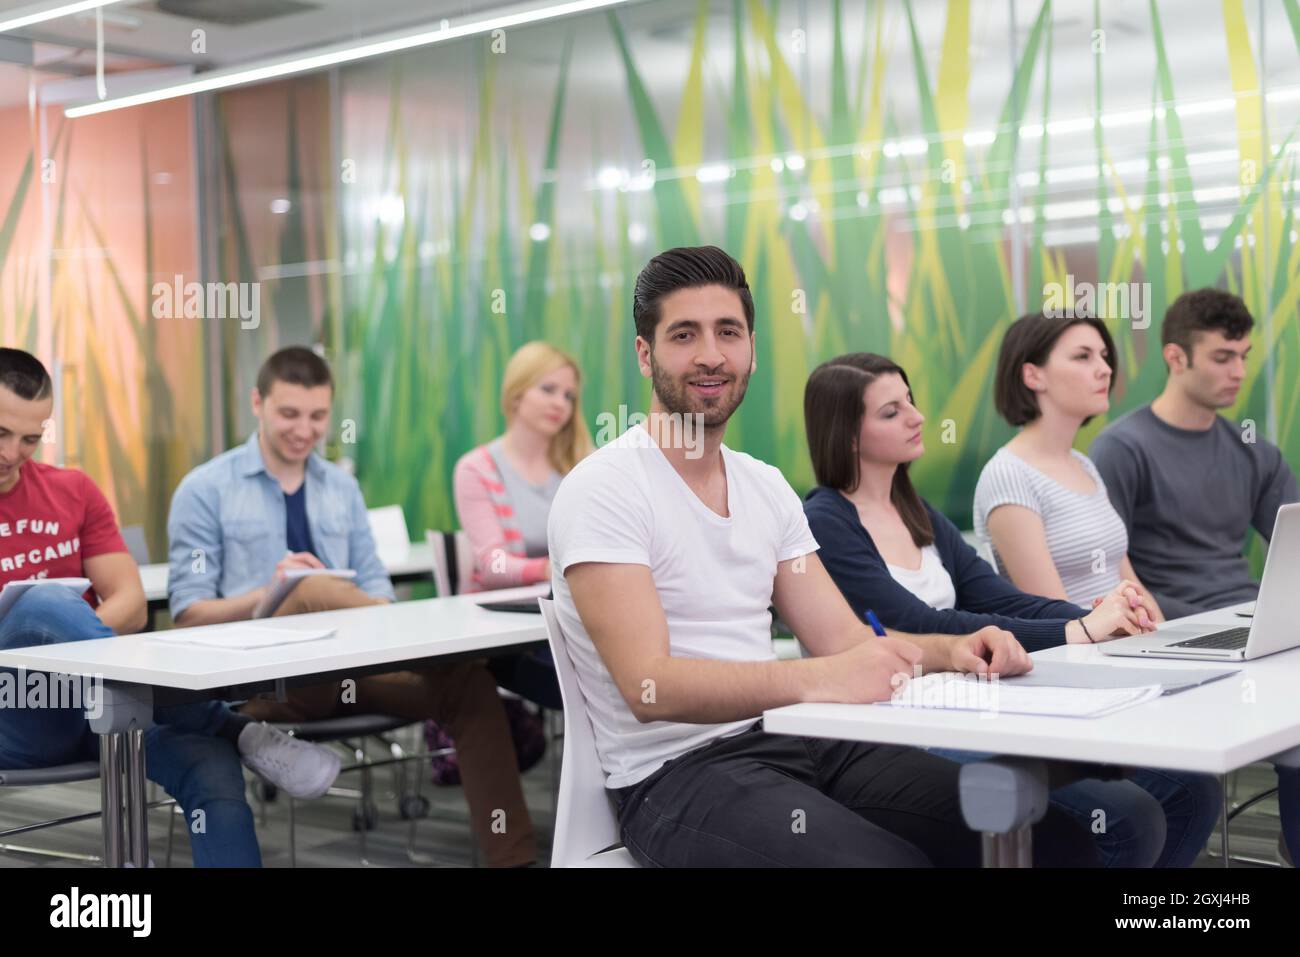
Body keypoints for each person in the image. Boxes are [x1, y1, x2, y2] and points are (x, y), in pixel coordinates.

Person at [547, 245, 1099, 867]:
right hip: (677, 775)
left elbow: (840, 638)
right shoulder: (604, 489)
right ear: (646, 355)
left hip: (797, 738)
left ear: (751, 348)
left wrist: (954, 651)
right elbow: (650, 687)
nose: (710, 354)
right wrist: (818, 680)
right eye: (684, 334)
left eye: (728, 332)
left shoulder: (764, 485)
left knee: (1057, 842)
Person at [803, 351, 1220, 867]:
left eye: (911, 401)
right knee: (1127, 818)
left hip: (975, 703)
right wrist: (1078, 631)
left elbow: (998, 596)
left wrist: (1095, 616)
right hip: (902, 730)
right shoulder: (825, 520)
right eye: (891, 412)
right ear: (847, 435)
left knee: (1191, 790)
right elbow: (926, 626)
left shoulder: (915, 510)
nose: (917, 416)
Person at [167, 346, 537, 867]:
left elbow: (378, 592)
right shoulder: (206, 489)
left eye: (318, 416)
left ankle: (514, 862)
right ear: (258, 403)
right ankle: (446, 648)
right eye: (289, 414)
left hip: (344, 671)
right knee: (308, 589)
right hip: (260, 684)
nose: (305, 429)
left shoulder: (339, 487)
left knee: (469, 686)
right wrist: (272, 590)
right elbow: (187, 612)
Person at [0, 347, 335, 868]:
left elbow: (131, 605)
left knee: (210, 763)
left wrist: (67, 650)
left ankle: (224, 736)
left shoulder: (73, 489)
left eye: (30, 438)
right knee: (43, 602)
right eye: (1, 434)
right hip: (12, 711)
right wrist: (48, 634)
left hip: (100, 701)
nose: (15, 453)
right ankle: (230, 723)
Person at [1089, 288, 1299, 863]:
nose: (1238, 371)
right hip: (1175, 642)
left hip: (1251, 628)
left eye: (1244, 355)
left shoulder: (1254, 452)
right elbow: (1105, 570)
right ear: (1176, 358)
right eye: (1222, 357)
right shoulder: (1120, 450)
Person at [974, 312, 1163, 616]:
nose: (1105, 369)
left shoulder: (1084, 465)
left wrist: (1164, 638)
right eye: (1082, 357)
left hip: (1128, 644)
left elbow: (1131, 585)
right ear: (1032, 376)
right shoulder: (1008, 474)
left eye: (1103, 356)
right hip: (1079, 654)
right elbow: (1055, 617)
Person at [452, 341, 592, 707]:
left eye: (569, 395)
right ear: (516, 394)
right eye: (548, 389)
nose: (560, 403)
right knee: (595, 685)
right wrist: (551, 569)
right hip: (504, 631)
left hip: (571, 616)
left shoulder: (583, 464)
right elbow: (493, 566)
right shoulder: (476, 469)